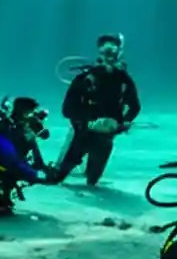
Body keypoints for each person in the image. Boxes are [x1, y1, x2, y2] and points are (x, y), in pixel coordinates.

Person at [53, 34, 141, 187]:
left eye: (112, 55)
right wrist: (88, 123)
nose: (109, 60)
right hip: (82, 132)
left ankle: (85, 173)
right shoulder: (85, 79)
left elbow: (135, 106)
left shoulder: (123, 80)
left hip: (105, 136)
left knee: (92, 180)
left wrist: (124, 122)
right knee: (58, 176)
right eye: (105, 55)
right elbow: (67, 109)